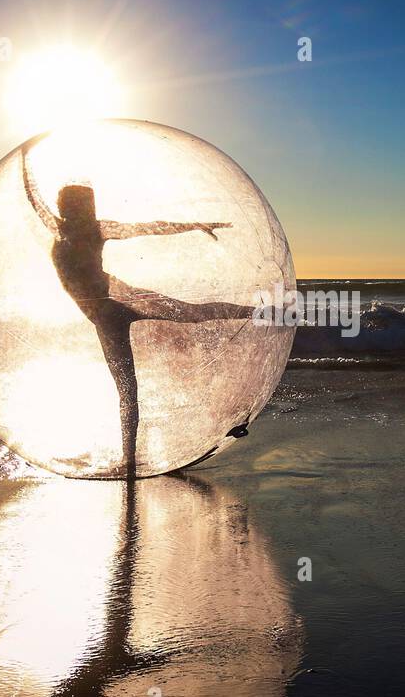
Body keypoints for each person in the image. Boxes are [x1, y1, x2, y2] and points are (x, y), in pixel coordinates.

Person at [21, 137, 253, 477]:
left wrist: (195, 225)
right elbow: (32, 195)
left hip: (118, 302)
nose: (76, 207)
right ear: (67, 205)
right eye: (72, 201)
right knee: (128, 386)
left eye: (79, 202)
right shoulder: (61, 228)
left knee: (191, 316)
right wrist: (25, 158)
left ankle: (257, 312)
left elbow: (152, 227)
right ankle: (129, 460)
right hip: (107, 312)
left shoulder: (94, 229)